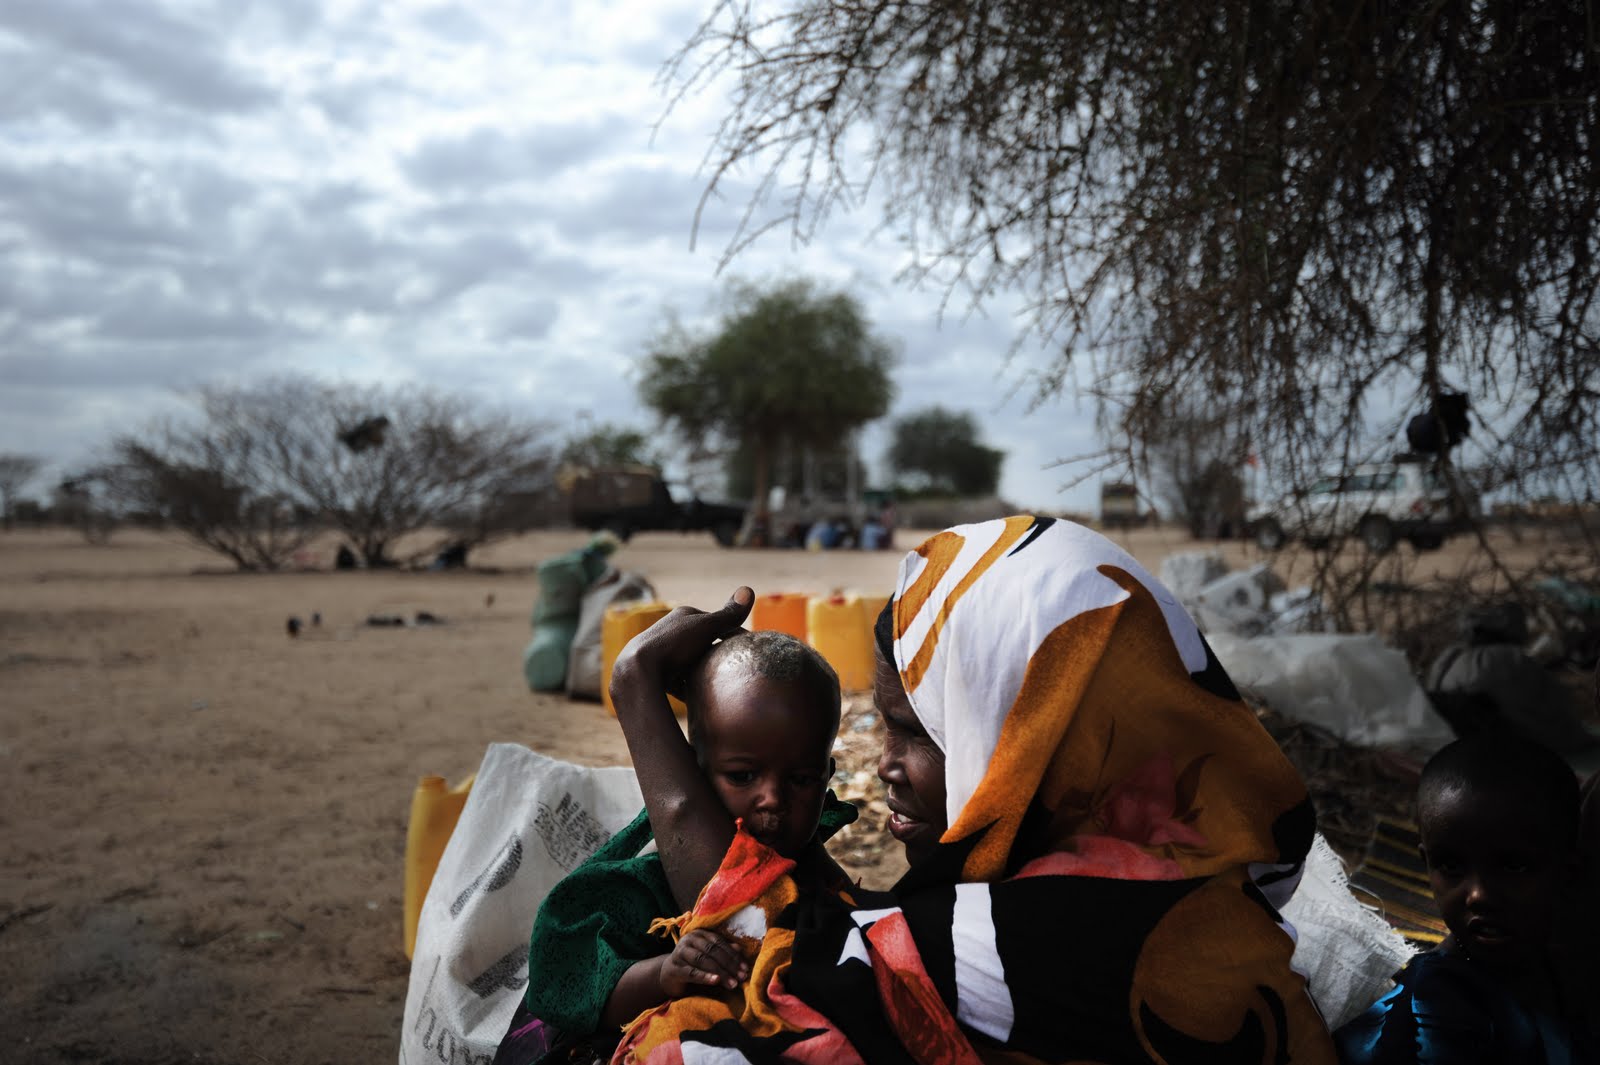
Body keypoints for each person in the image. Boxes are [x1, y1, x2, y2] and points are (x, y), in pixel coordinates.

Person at [604, 516, 1338, 1063]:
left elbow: (761, 950)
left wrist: (637, 686)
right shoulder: (1200, 886)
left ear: (1029, 731)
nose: (885, 764)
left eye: (919, 730)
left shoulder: (1027, 938)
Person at [493, 629, 854, 1064]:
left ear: (827, 775)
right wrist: (663, 974)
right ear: (693, 774)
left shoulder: (808, 861)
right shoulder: (648, 880)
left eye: (801, 780)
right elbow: (584, 992)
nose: (773, 798)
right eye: (742, 776)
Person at [1335, 733, 1587, 1064]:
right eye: (1451, 866)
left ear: (1568, 872)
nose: (1478, 895)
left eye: (1513, 866)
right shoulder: (1435, 1008)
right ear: (1426, 862)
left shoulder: (1557, 963)